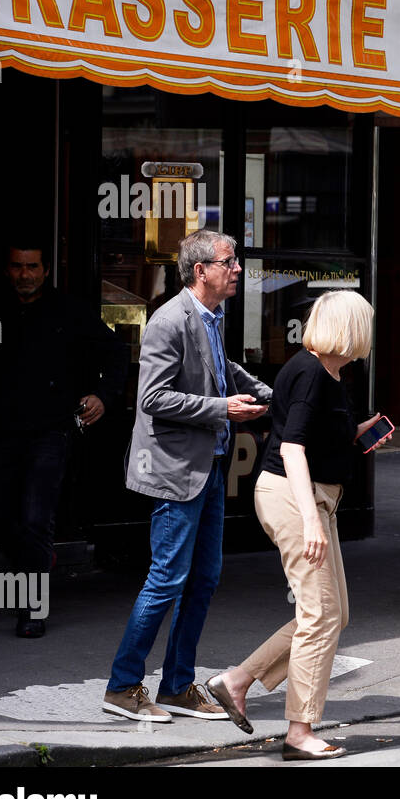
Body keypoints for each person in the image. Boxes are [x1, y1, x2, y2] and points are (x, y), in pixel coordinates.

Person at [205, 290, 389, 760]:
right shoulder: (310, 373)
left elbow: (311, 434)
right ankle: (299, 731)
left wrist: (357, 432)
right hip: (294, 497)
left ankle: (238, 679)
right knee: (320, 616)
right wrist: (310, 521)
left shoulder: (326, 373)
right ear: (350, 328)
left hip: (308, 497)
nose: (368, 333)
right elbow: (291, 448)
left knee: (333, 614)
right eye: (363, 323)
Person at [103, 229, 272, 723]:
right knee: (167, 579)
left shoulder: (211, 316)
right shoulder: (167, 320)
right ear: (201, 271)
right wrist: (222, 408)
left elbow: (219, 367)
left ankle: (177, 685)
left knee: (204, 579)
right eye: (229, 261)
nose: (237, 268)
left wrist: (266, 393)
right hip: (176, 471)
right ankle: (122, 686)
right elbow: (151, 398)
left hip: (208, 467)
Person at [0, 240, 128, 637]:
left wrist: (102, 396)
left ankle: (32, 606)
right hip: (0, 429)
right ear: (7, 269)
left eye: (32, 267)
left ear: (45, 270)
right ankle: (36, 563)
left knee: (36, 518)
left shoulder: (69, 311)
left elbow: (115, 353)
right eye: (17, 266)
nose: (24, 275)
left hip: (50, 429)